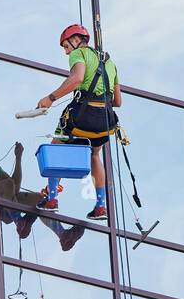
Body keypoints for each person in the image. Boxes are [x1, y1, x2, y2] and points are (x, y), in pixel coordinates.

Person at [36, 24, 122, 222]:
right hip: (104, 122)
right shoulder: (111, 63)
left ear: (76, 40)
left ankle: (52, 198)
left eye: (66, 46)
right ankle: (101, 206)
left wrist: (51, 98)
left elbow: (77, 79)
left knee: (56, 147)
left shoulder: (79, 53)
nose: (66, 52)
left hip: (82, 117)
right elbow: (117, 102)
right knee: (95, 155)